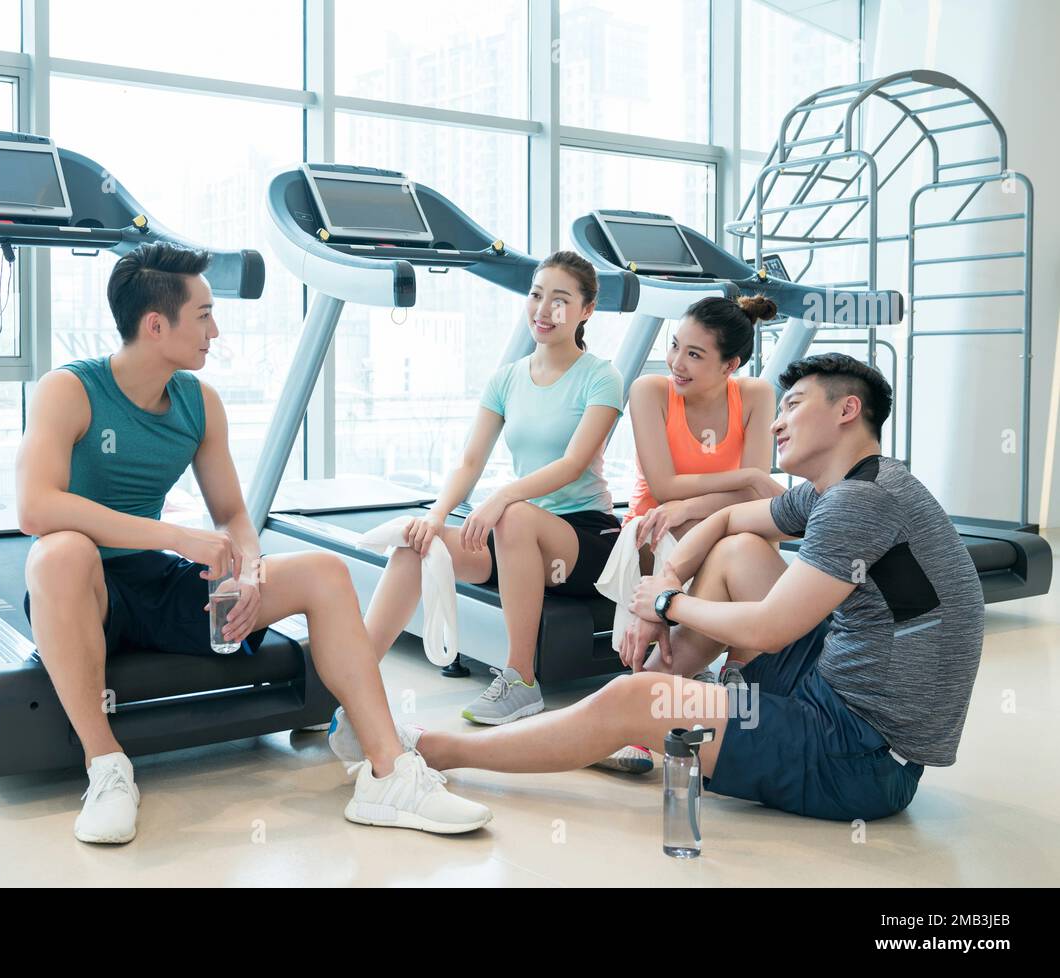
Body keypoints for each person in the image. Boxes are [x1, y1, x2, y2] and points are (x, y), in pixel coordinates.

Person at [17, 242, 491, 843]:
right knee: (60, 550)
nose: (215, 330)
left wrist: (251, 566)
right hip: (83, 592)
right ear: (156, 324)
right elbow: (36, 506)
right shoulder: (70, 389)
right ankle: (107, 768)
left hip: (157, 584)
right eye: (204, 315)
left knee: (323, 571)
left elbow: (234, 514)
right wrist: (178, 538)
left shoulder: (199, 402)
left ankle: (388, 772)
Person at [412, 353, 985, 822]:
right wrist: (664, 581)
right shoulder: (862, 484)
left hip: (860, 758)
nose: (778, 422)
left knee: (634, 699)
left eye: (794, 406)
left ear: (847, 411)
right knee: (739, 554)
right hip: (848, 695)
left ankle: (442, 751)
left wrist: (664, 602)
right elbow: (732, 522)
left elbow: (770, 628)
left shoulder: (860, 503)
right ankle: (663, 685)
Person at [362, 251, 625, 725]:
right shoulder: (506, 378)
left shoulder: (602, 377)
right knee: (412, 545)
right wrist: (436, 517)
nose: (543, 310)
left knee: (516, 515)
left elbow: (572, 464)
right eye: (536, 295)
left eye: (560, 300)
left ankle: (521, 680)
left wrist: (503, 497)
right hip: (515, 538)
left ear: (587, 310)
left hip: (584, 539)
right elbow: (469, 460)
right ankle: (352, 679)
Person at [596, 294, 781, 775]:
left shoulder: (757, 395)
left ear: (730, 365)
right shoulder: (650, 391)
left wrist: (699, 501)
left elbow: (756, 495)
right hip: (655, 525)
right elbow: (664, 488)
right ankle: (654, 685)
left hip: (718, 522)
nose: (677, 363)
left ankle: (739, 671)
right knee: (713, 532)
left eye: (695, 355)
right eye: (675, 346)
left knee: (747, 540)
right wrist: (738, 482)